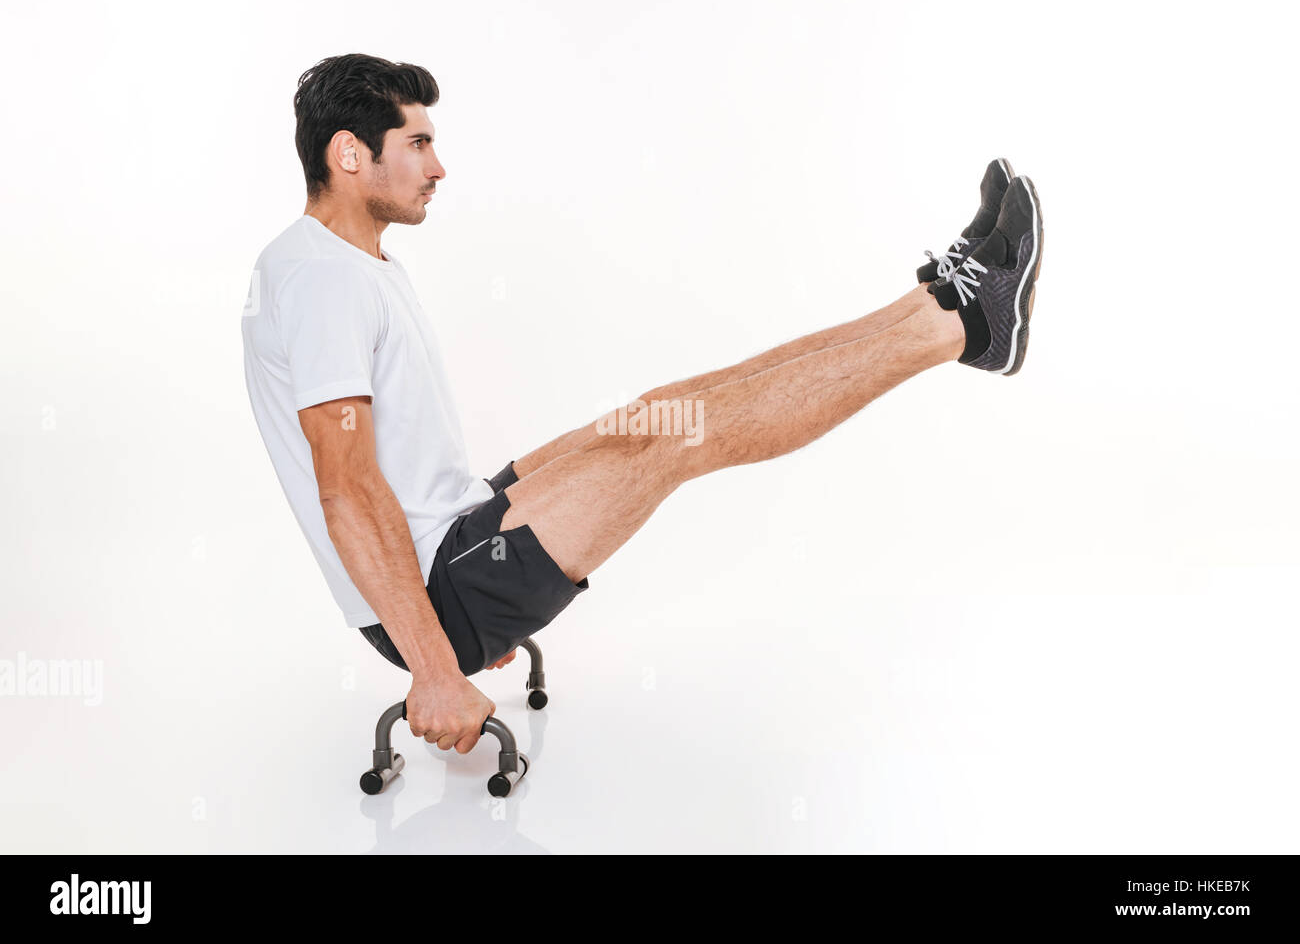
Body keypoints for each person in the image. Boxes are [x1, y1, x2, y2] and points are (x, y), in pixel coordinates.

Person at [241, 53, 1044, 760]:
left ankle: (939, 301)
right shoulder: (323, 281)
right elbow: (345, 486)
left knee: (663, 412)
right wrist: (434, 663)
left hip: (457, 529)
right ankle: (958, 327)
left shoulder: (347, 263)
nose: (439, 165)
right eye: (417, 143)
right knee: (680, 443)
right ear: (349, 154)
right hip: (443, 583)